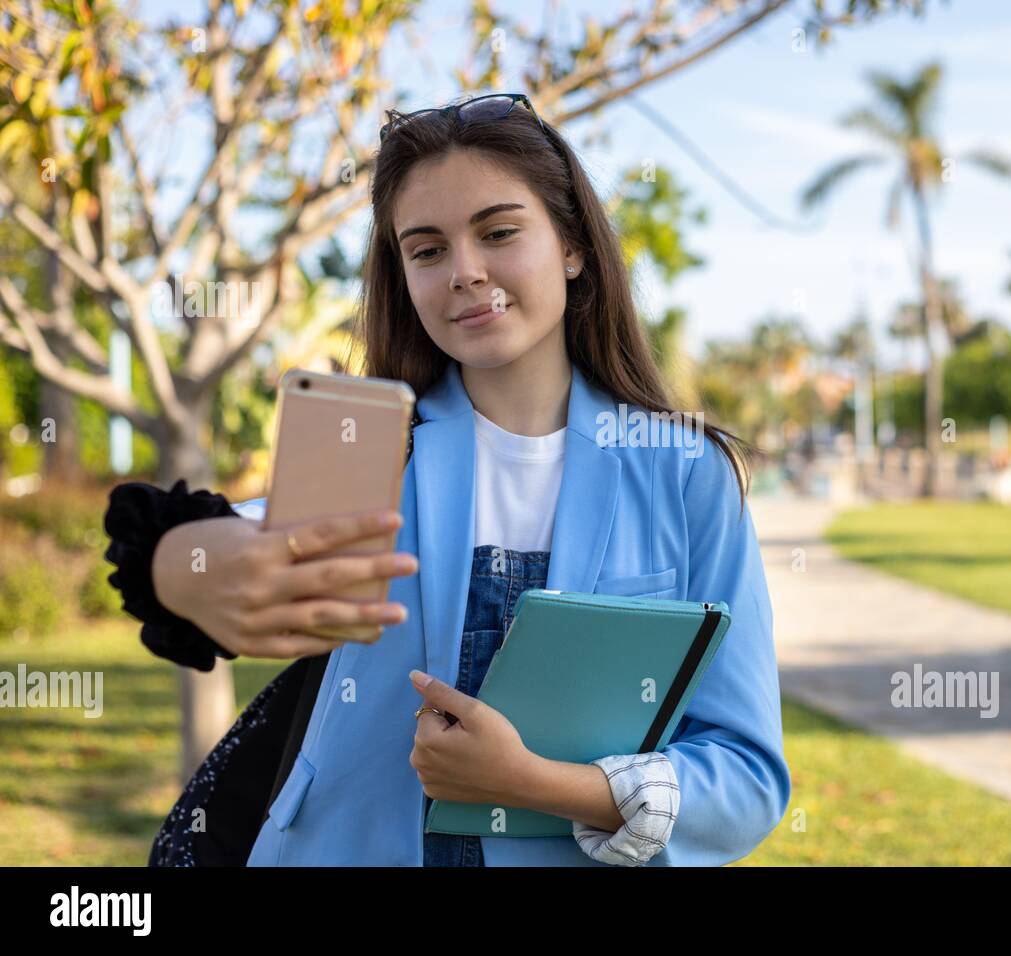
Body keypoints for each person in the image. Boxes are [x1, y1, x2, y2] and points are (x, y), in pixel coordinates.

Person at [134, 92, 789, 866]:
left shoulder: (687, 475)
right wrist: (176, 569)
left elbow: (746, 778)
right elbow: (207, 540)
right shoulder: (365, 445)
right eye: (427, 249)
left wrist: (542, 784)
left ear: (573, 245)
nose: (466, 273)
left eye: (499, 232)